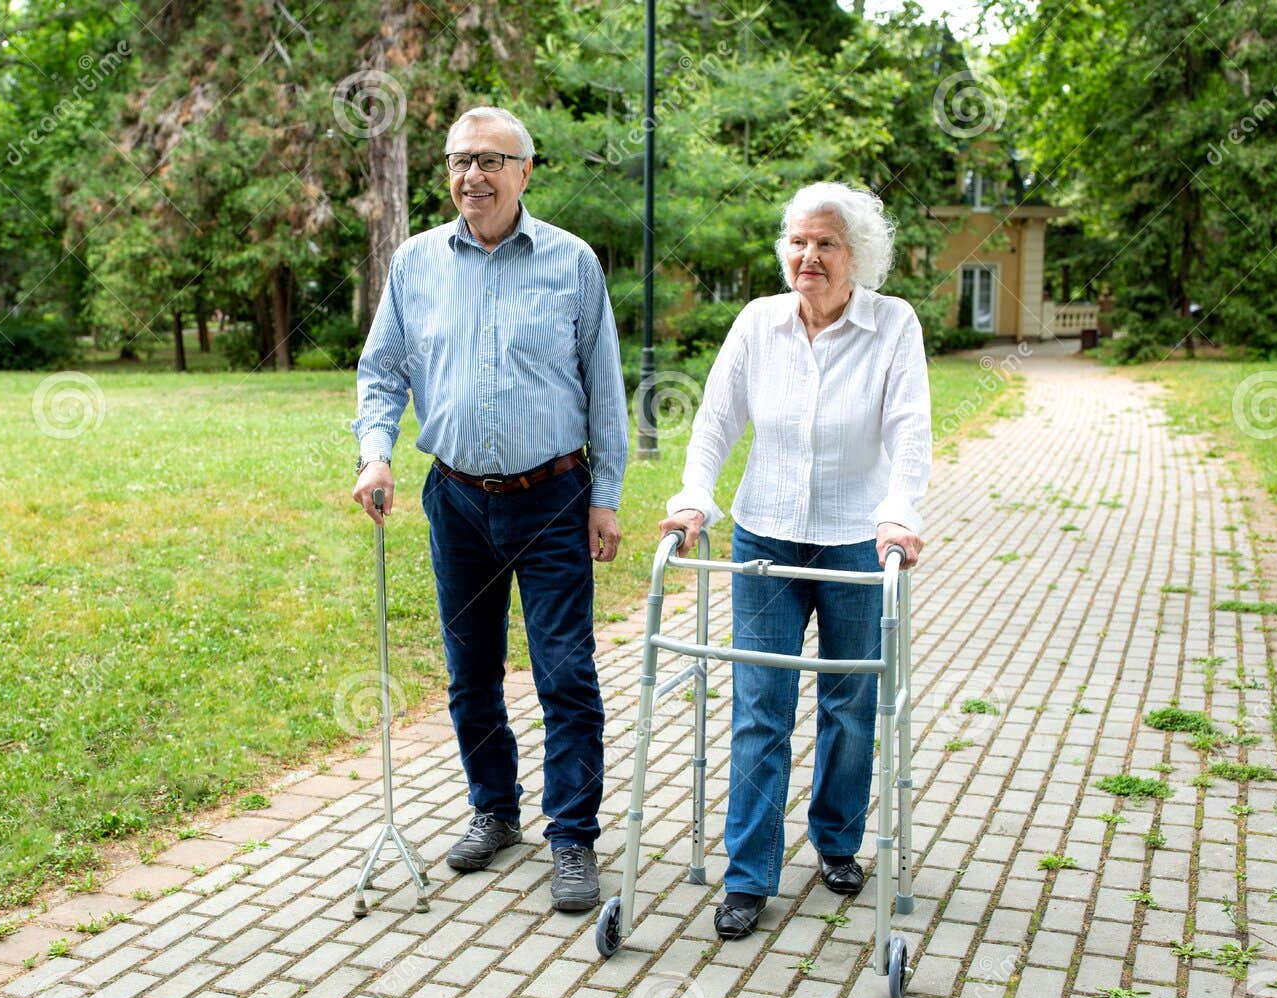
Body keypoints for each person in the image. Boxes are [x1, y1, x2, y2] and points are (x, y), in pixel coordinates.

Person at [351, 106, 629, 912]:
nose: (471, 174)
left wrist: (605, 497)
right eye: (458, 159)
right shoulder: (414, 263)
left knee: (565, 672)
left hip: (553, 496)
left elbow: (603, 389)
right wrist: (377, 450)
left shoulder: (573, 264)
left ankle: (572, 836)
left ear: (525, 171)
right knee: (470, 672)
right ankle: (495, 810)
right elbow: (382, 372)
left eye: (490, 160)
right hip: (458, 498)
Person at [659, 181, 931, 939]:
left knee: (849, 703)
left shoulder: (893, 326)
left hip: (855, 536)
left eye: (826, 244)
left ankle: (838, 841)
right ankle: (748, 874)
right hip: (767, 535)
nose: (808, 257)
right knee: (760, 704)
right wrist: (693, 495)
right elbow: (717, 418)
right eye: (799, 242)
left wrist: (900, 516)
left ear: (858, 256)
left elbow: (910, 428)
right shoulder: (758, 324)